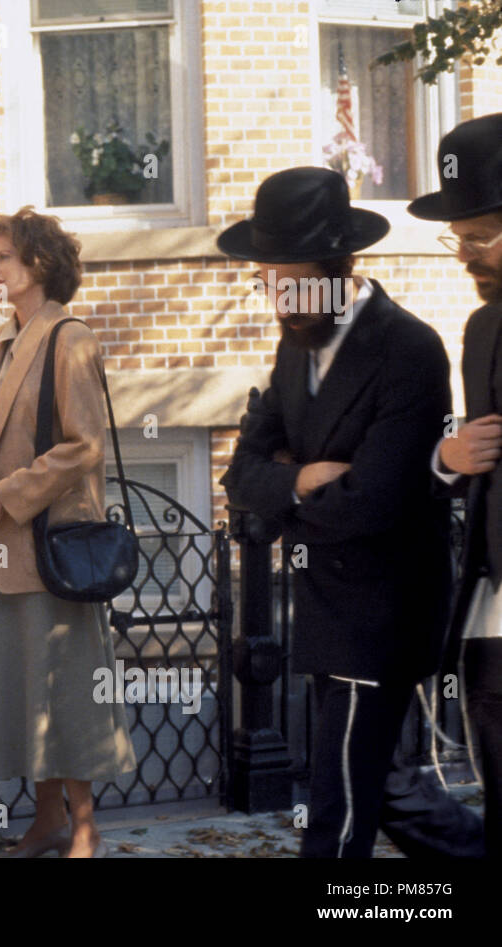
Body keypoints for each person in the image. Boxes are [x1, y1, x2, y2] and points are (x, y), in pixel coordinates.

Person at [220, 167, 455, 858]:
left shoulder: (408, 348)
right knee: (387, 795)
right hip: (327, 609)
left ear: (337, 268)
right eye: (267, 282)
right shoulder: (295, 343)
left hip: (383, 612)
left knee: (337, 807)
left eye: (289, 282)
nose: (277, 299)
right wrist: (301, 481)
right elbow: (240, 476)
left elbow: (374, 501)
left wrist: (289, 482)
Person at [0, 207, 136, 858]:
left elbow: (85, 446)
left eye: (3, 257)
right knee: (26, 692)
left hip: (47, 546)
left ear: (38, 265)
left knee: (66, 689)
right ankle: (47, 820)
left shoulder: (69, 338)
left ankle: (85, 827)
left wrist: (7, 498)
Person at [412, 112, 502, 857]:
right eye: (458, 238)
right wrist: (451, 459)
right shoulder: (478, 330)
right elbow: (466, 460)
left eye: (480, 238)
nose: (464, 255)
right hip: (490, 606)